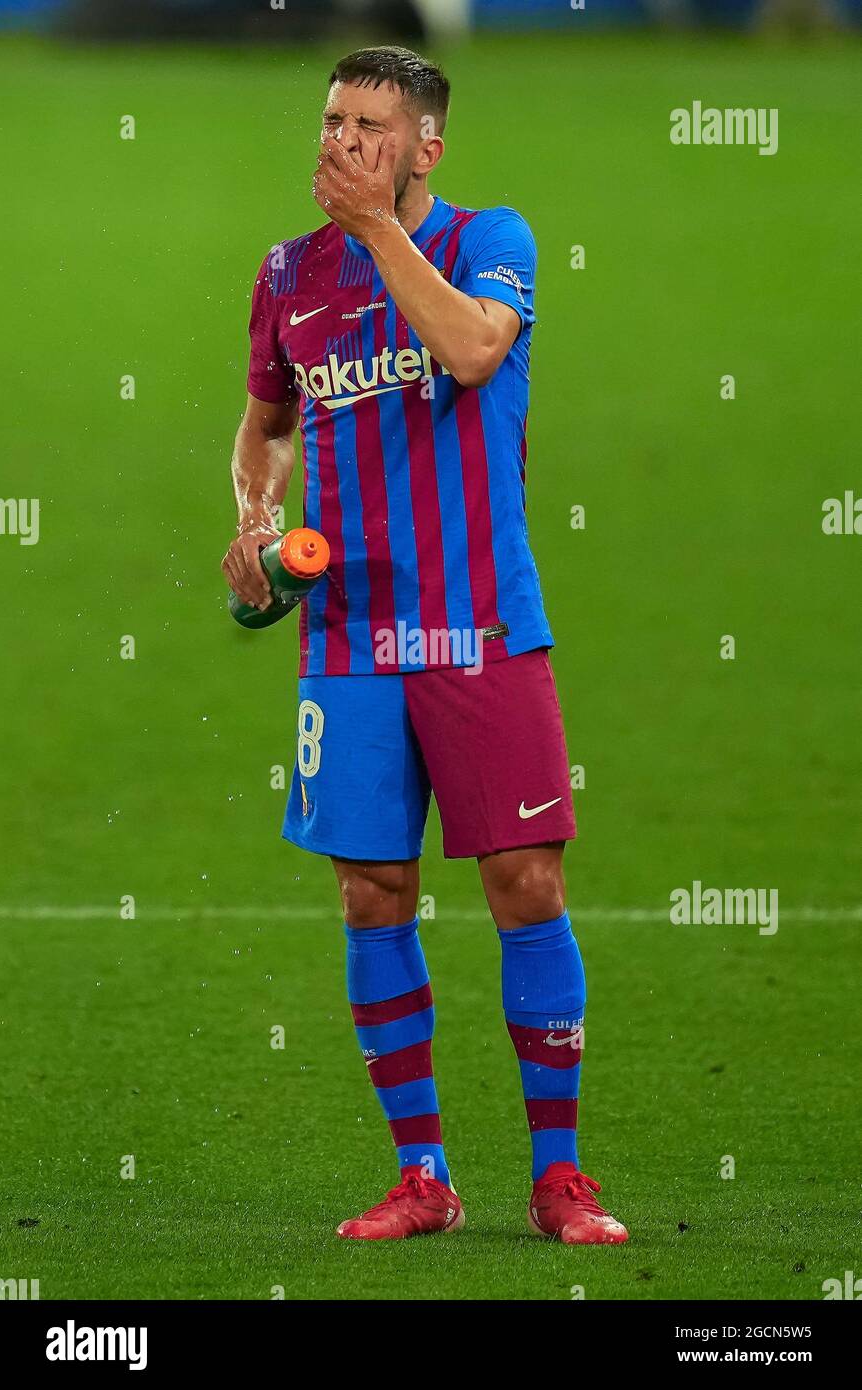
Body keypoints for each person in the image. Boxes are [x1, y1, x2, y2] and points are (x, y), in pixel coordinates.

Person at [222, 45, 628, 1246]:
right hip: (347, 643)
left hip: (480, 627)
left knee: (525, 883)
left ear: (423, 150)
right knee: (371, 892)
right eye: (333, 119)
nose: (340, 142)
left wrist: (377, 236)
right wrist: (254, 521)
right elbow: (263, 429)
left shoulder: (490, 238)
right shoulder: (286, 274)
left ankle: (557, 1177)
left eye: (369, 128)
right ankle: (423, 1177)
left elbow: (468, 352)